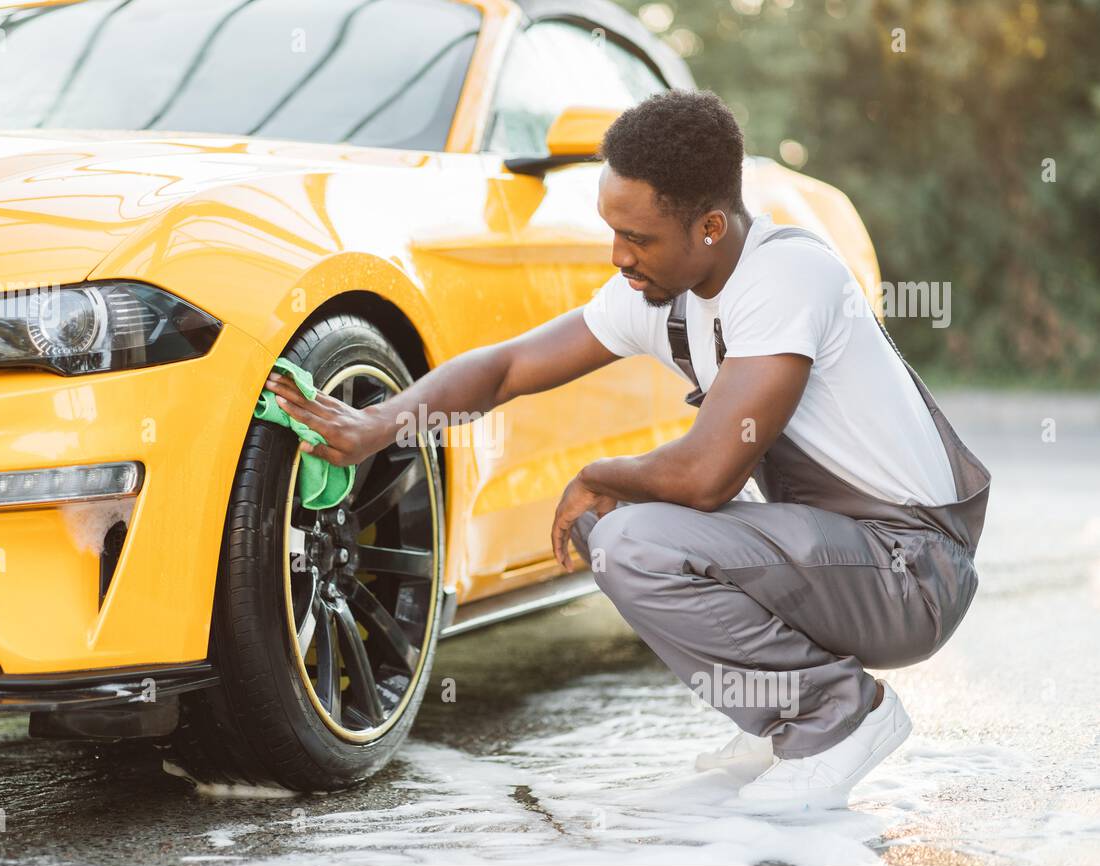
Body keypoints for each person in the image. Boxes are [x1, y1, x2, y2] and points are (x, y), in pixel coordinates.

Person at [262, 89, 991, 810]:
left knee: (634, 539)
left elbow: (708, 474)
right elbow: (506, 368)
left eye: (638, 238)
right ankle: (781, 716)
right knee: (607, 528)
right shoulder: (666, 295)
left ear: (709, 226)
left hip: (911, 570)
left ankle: (836, 720)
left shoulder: (786, 276)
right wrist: (375, 426)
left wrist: (599, 473)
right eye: (613, 231)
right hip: (848, 553)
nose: (618, 256)